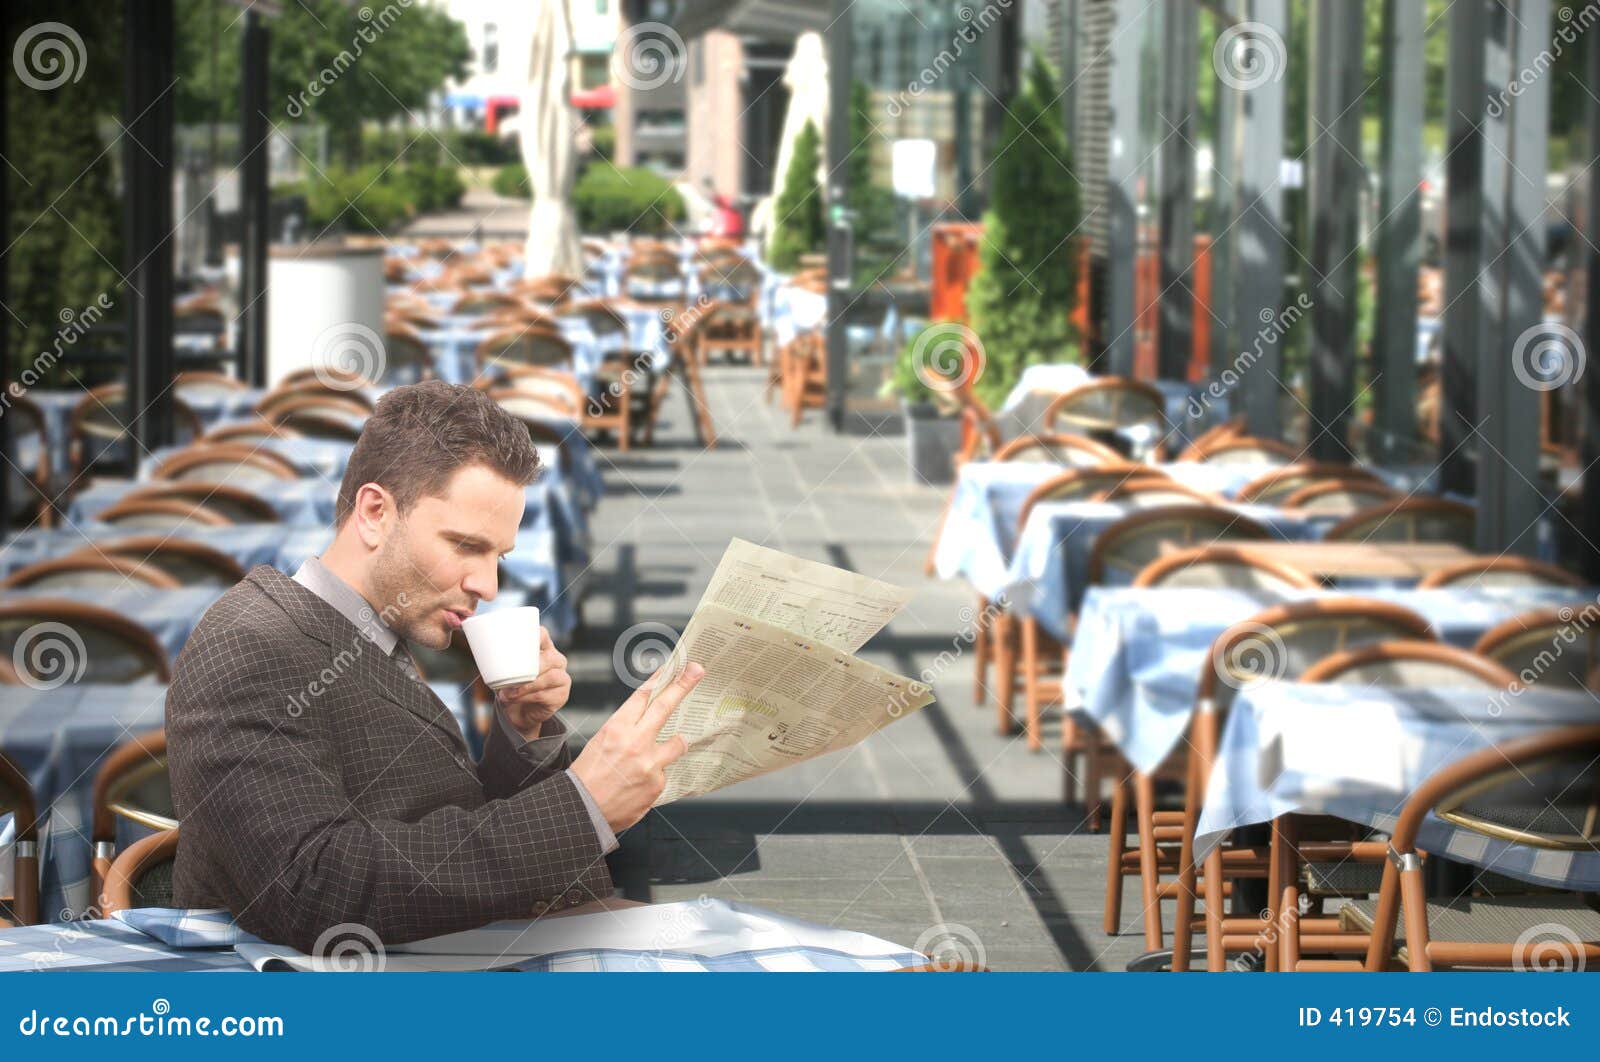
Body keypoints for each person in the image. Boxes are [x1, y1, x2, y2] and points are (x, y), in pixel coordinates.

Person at [166, 381, 703, 953]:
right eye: (465, 546)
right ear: (375, 512)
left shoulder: (371, 631)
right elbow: (314, 890)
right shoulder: (251, 645)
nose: (488, 585)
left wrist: (521, 732)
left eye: (498, 556)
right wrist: (583, 805)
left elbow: (441, 832)